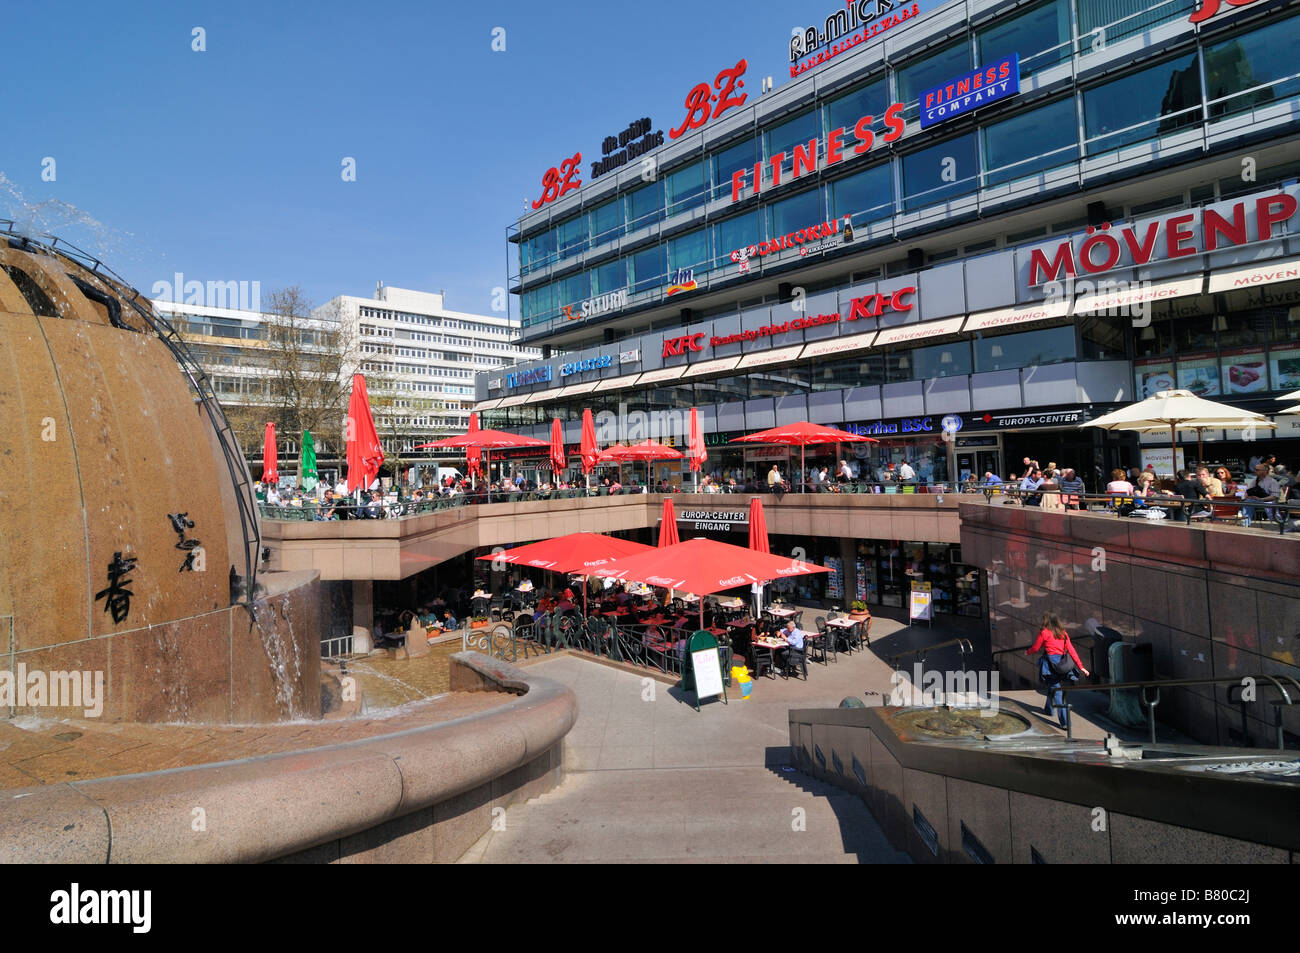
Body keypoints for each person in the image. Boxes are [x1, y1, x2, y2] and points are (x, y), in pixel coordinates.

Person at [1027, 612, 1089, 729]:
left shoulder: (1044, 632)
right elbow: (1071, 650)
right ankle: (1048, 710)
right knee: (1054, 688)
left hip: (1050, 666)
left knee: (1057, 692)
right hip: (1062, 665)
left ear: (1046, 621)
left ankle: (1065, 722)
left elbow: (1036, 647)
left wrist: (1028, 652)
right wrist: (1081, 667)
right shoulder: (1063, 633)